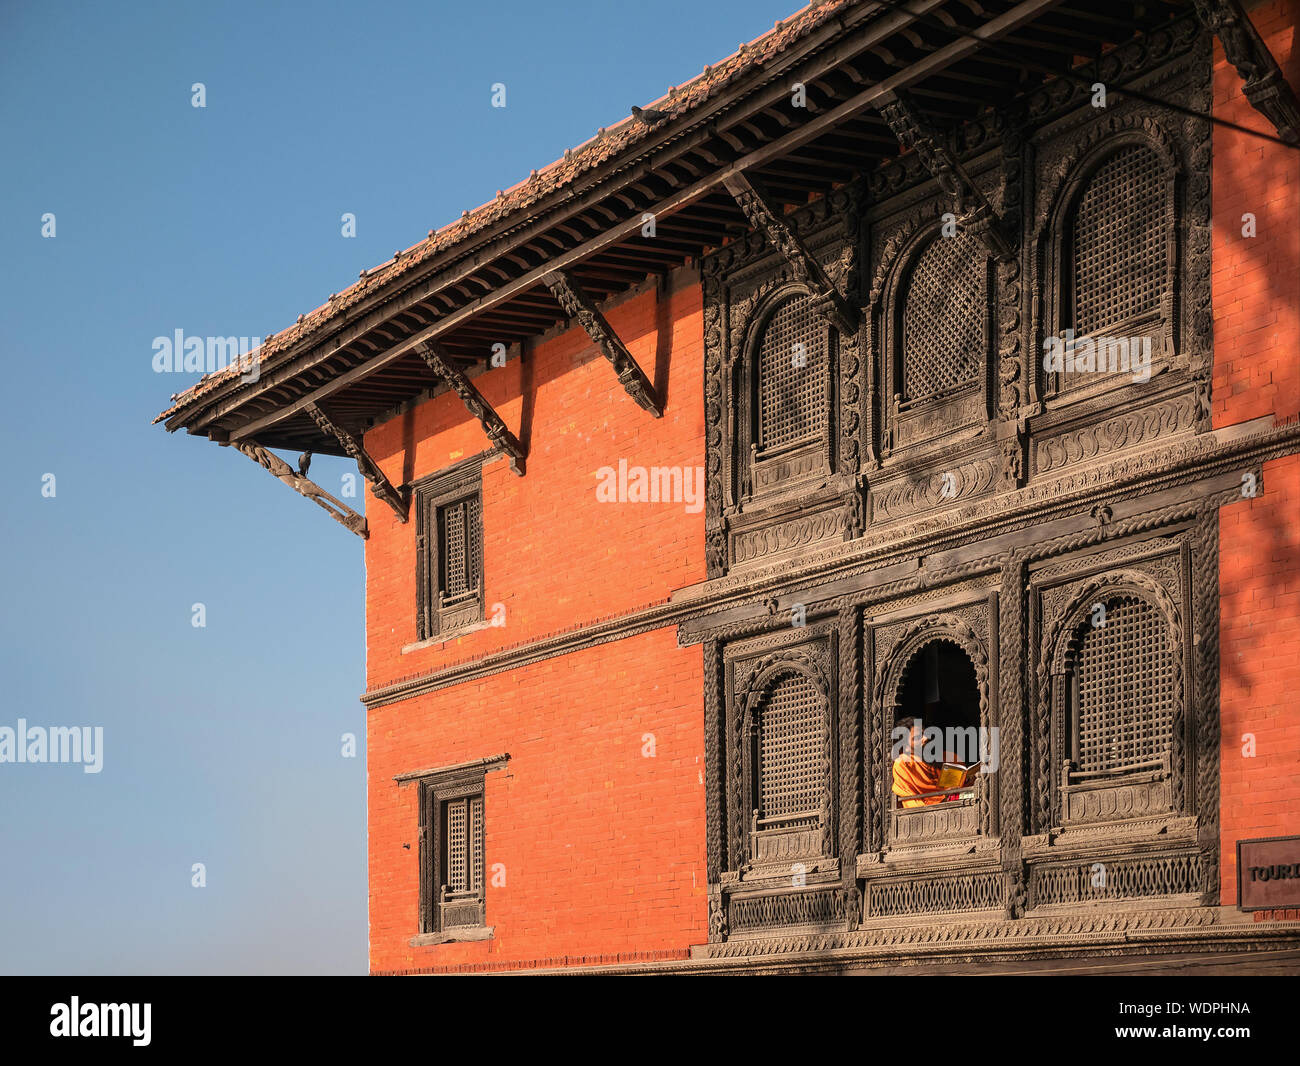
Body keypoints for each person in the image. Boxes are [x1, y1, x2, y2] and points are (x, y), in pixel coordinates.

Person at [891, 712, 959, 808]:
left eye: (924, 734)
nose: (926, 738)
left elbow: (952, 788)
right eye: (918, 737)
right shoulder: (903, 764)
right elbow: (910, 800)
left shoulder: (943, 757)